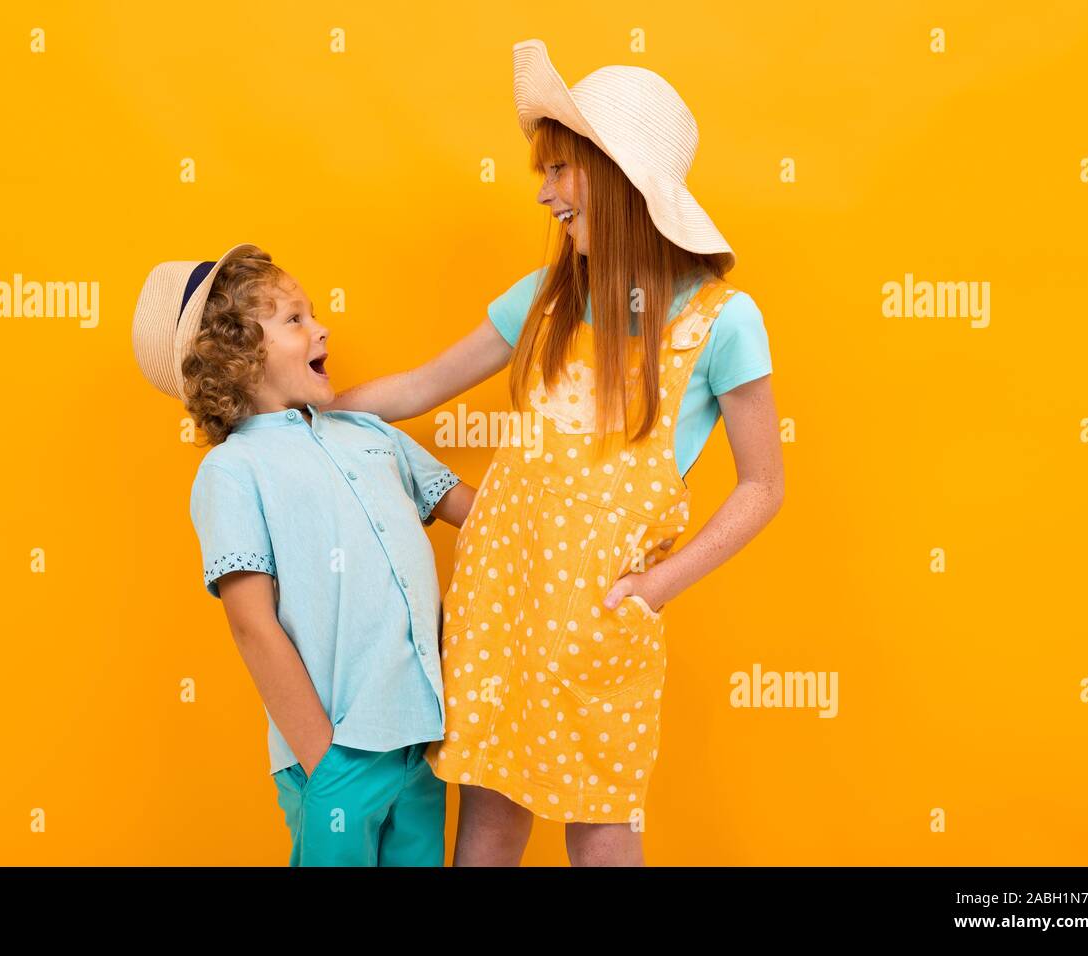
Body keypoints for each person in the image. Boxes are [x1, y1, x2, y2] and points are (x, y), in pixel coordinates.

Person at [327, 40, 784, 866]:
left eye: (560, 171)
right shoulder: (547, 300)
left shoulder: (722, 321)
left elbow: (762, 486)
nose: (542, 194)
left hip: (602, 616)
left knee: (601, 825)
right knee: (492, 817)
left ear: (617, 175)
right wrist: (310, 409)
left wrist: (653, 589)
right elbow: (418, 387)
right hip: (498, 599)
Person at [131, 242, 476, 865]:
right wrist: (322, 757)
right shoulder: (233, 471)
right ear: (236, 355)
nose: (322, 327)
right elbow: (251, 622)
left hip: (420, 742)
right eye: (294, 319)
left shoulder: (371, 433)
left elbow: (481, 519)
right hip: (337, 754)